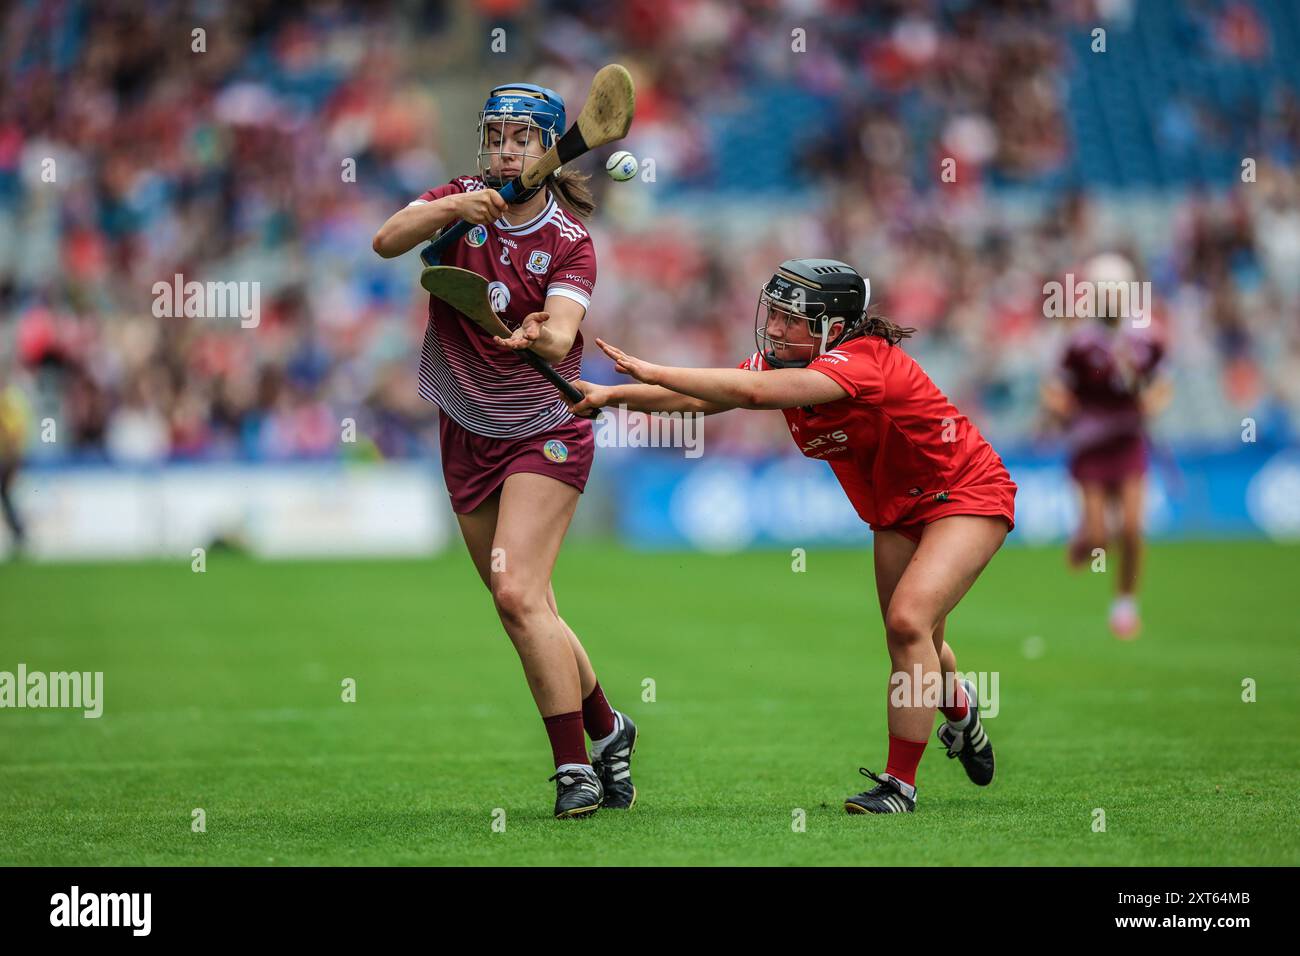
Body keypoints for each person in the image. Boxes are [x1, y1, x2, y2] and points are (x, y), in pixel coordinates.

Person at [569, 258, 1016, 814]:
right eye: (774, 314)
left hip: (966, 491)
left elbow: (752, 396)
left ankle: (900, 785)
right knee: (919, 641)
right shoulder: (784, 361)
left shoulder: (863, 361)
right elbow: (710, 398)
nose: (776, 328)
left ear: (832, 326)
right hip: (896, 510)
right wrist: (612, 397)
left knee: (907, 623)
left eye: (792, 318)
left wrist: (652, 369)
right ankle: (962, 711)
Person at [372, 82, 636, 819]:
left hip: (546, 426)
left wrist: (537, 336)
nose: (506, 148)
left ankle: (574, 769)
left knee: (520, 594)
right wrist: (456, 208)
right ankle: (611, 727)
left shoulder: (570, 240)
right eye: (496, 135)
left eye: (522, 137)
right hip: (465, 426)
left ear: (548, 146)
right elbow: (388, 240)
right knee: (525, 604)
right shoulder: (460, 200)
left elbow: (561, 328)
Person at [1041, 253, 1171, 639]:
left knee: (1132, 529)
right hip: (1089, 446)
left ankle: (1125, 605)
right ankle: (1086, 538)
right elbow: (1054, 388)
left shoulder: (1146, 337)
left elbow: (1164, 383)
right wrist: (1064, 407)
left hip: (1129, 442)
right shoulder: (1079, 342)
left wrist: (1153, 402)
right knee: (1099, 538)